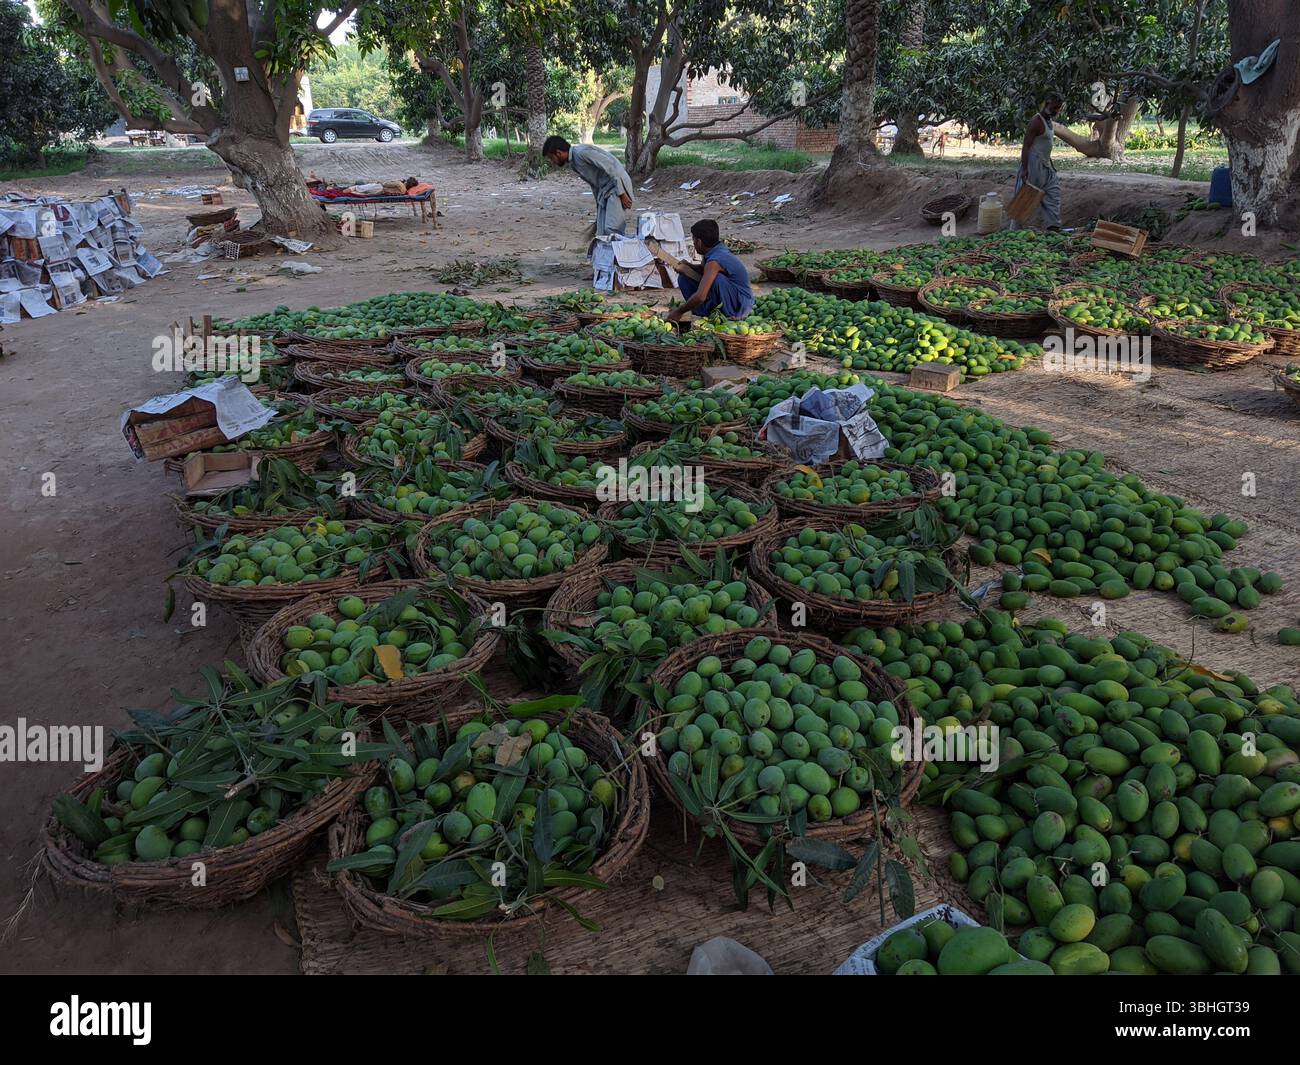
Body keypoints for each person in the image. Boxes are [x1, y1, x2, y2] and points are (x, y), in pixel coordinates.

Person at [648, 219, 753, 323]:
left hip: (739, 303)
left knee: (717, 279)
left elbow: (700, 296)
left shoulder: (715, 261)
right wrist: (688, 266)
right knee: (684, 278)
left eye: (693, 240)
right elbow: (704, 270)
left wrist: (679, 312)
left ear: (699, 242)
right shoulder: (714, 250)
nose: (693, 243)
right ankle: (703, 312)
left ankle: (729, 314)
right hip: (727, 293)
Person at [543, 135, 635, 237]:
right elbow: (594, 185)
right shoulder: (573, 163)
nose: (553, 162)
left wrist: (622, 193)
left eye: (552, 158)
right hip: (605, 192)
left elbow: (611, 167)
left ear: (558, 152)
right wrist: (599, 211)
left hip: (617, 186)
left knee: (612, 230)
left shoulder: (581, 153)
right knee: (601, 233)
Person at [1012, 92, 1064, 230]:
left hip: (1046, 165)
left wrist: (1050, 164)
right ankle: (1014, 232)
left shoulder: (1049, 122)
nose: (1056, 111)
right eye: (1054, 108)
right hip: (1033, 165)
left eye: (1058, 108)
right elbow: (1026, 146)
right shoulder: (1036, 121)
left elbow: (1045, 146)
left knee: (1053, 195)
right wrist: (1024, 169)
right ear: (1047, 104)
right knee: (1024, 199)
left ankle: (1053, 227)